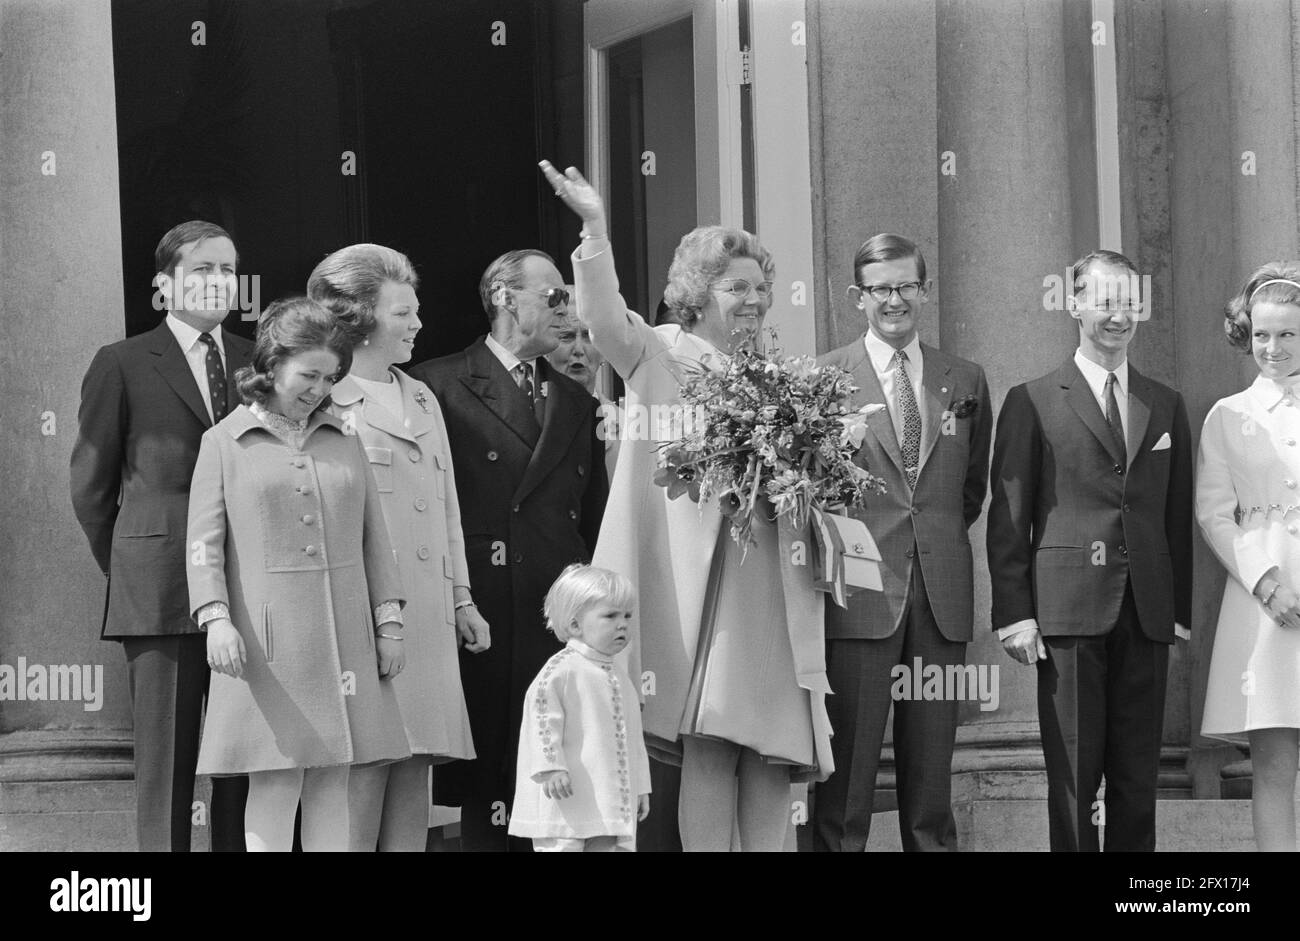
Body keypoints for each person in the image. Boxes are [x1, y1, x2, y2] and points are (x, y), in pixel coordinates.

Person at [541, 159, 833, 852]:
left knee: (771, 747)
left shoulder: (775, 373)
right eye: (738, 287)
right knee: (713, 739)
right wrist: (594, 228)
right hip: (702, 588)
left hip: (775, 586)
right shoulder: (660, 351)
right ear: (698, 292)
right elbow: (604, 318)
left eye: (762, 287)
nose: (755, 299)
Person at [186, 296, 411, 851]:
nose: (318, 388)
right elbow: (202, 545)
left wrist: (388, 623)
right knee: (276, 777)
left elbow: (375, 540)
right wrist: (215, 620)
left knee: (334, 777)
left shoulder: (345, 437)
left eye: (329, 377)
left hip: (345, 639)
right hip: (266, 642)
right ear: (271, 365)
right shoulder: (222, 443)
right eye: (308, 374)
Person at [986, 249, 1192, 852]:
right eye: (1104, 301)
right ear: (1074, 304)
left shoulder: (1166, 403)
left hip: (1147, 614)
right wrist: (1015, 614)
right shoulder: (1033, 398)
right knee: (1073, 780)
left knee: (1138, 780)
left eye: (1128, 301)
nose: (1117, 315)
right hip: (1066, 615)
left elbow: (1173, 513)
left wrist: (1177, 610)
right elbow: (1009, 516)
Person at [406, 250, 608, 852]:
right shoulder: (433, 385)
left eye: (567, 298)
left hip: (553, 617)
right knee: (484, 782)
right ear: (503, 298)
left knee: (550, 774)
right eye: (551, 297)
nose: (563, 309)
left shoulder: (578, 403)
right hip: (479, 613)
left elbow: (589, 523)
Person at [70, 220, 250, 852]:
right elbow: (91, 490)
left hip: (254, 593)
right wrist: (134, 566)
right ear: (163, 285)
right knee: (167, 767)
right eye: (202, 269)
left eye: (228, 269)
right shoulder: (121, 363)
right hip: (160, 592)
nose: (218, 281)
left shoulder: (262, 362)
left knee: (246, 765)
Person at [812, 234, 992, 852]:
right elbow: (813, 491)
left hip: (940, 595)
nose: (895, 300)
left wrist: (931, 542)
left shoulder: (964, 377)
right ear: (857, 298)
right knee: (847, 782)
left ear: (924, 289)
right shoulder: (824, 378)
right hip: (859, 596)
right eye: (880, 289)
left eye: (906, 286)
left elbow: (970, 490)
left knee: (931, 787)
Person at [308, 244, 491, 852]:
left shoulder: (421, 396)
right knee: (363, 766)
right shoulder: (323, 400)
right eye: (402, 313)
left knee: (416, 765)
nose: (418, 324)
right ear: (359, 317)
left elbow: (446, 507)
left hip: (429, 618)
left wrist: (462, 597)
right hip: (364, 613)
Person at [1198, 264, 1300, 851]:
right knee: (1274, 768)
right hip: (1263, 606)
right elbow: (1214, 513)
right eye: (1262, 334)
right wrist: (1265, 582)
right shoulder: (1227, 414)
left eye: (1287, 334)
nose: (1272, 348)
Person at [509, 564, 651, 851]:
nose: (622, 623)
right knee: (566, 844)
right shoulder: (561, 670)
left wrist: (640, 786)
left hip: (607, 795)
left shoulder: (621, 679)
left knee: (608, 842)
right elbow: (540, 719)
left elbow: (634, 739)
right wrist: (549, 768)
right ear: (575, 625)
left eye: (627, 616)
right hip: (566, 793)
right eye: (610, 616)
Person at [547, 308, 620, 480]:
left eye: (589, 336)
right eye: (566, 336)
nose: (579, 349)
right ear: (546, 347)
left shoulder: (628, 428)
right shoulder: (530, 420)